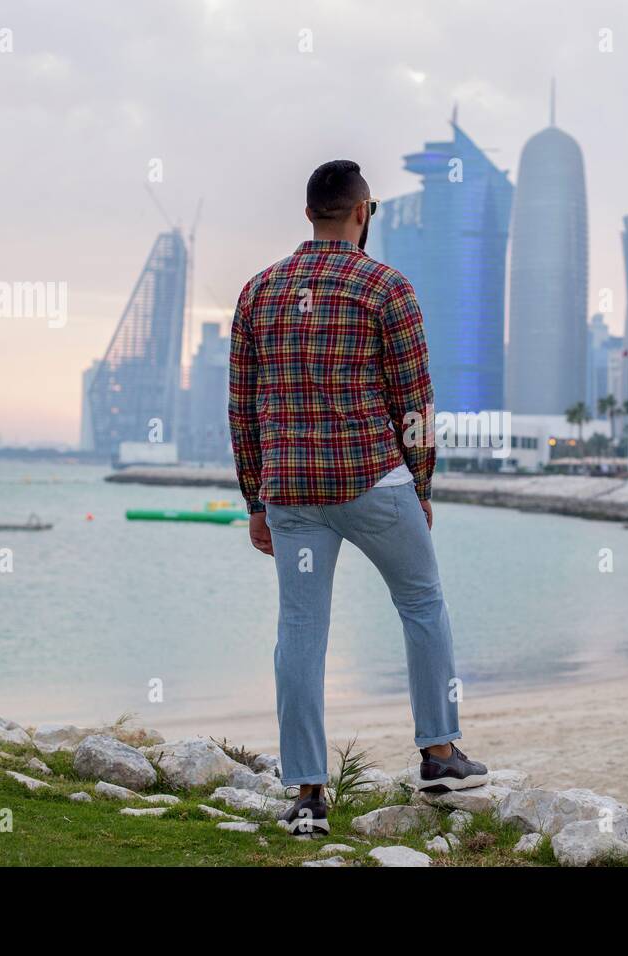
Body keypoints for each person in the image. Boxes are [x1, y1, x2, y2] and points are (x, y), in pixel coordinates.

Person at [229, 160, 487, 837]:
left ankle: (308, 795)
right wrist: (421, 487)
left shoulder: (258, 292)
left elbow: (242, 411)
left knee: (300, 631)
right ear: (362, 212)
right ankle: (439, 754)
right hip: (373, 480)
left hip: (291, 493)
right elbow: (415, 405)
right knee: (422, 603)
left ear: (309, 213)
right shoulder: (386, 287)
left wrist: (255, 500)